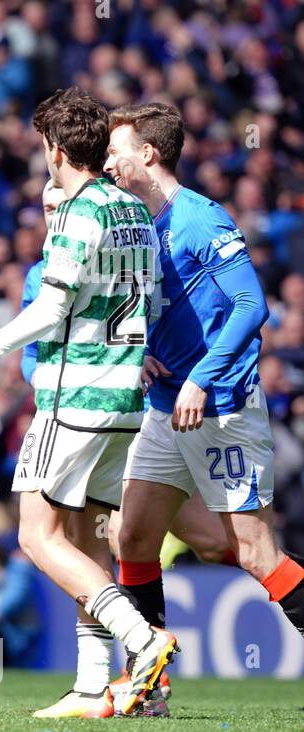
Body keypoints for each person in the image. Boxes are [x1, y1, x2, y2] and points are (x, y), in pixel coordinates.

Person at [0, 87, 177, 718]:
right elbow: (151, 297)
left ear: (53, 148)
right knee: (85, 538)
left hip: (73, 397)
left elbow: (51, 307)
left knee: (36, 535)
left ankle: (142, 639)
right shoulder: (132, 211)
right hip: (124, 402)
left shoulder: (81, 211)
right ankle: (91, 687)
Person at [103, 103, 304, 699]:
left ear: (149, 154)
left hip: (220, 410)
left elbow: (251, 306)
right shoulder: (138, 224)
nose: (108, 161)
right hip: (166, 409)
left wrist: (201, 379)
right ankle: (150, 686)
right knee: (133, 538)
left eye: (117, 149)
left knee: (251, 550)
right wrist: (136, 352)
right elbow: (143, 305)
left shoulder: (200, 218)